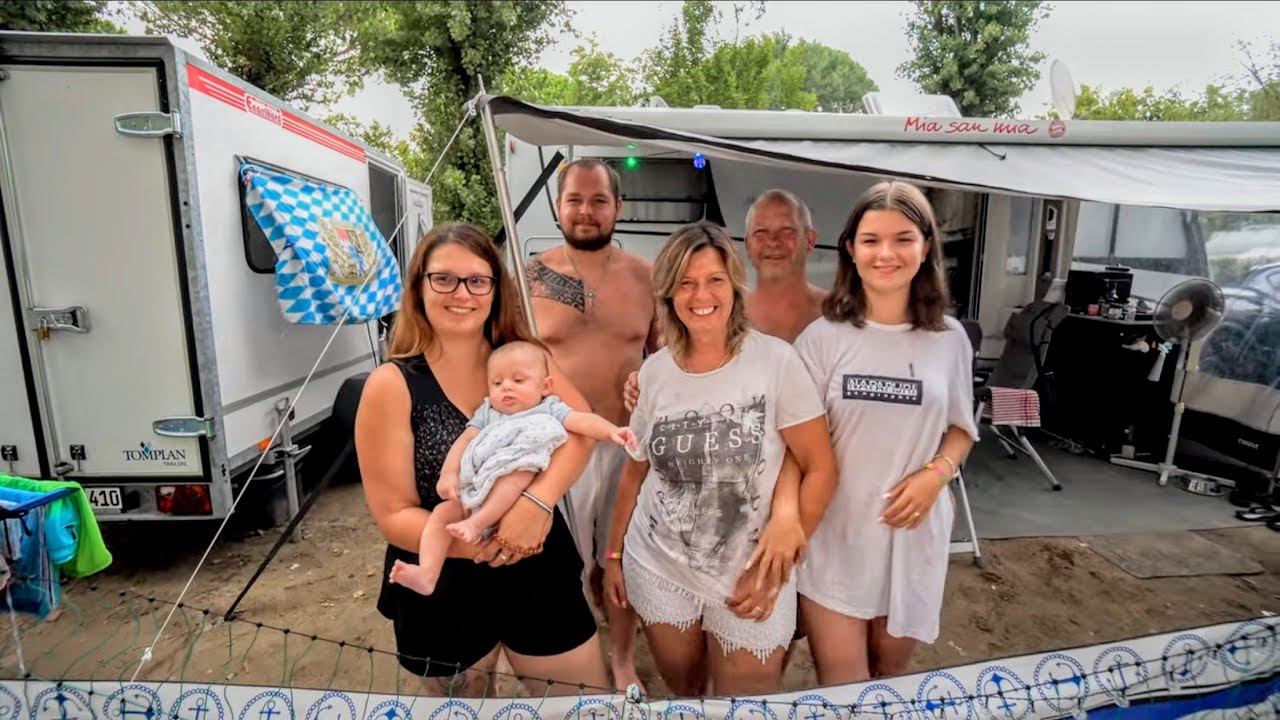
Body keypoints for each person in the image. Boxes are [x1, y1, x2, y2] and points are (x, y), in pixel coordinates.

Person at [357, 222, 608, 696]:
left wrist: (537, 504)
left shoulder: (527, 360)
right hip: (444, 588)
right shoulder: (390, 385)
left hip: (538, 567)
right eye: (444, 279)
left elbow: (581, 431)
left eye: (477, 280)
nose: (462, 293)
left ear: (496, 289)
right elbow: (393, 515)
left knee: (584, 707)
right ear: (419, 287)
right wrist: (483, 545)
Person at [602, 221, 838, 695]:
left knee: (746, 702)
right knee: (685, 693)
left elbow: (820, 466)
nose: (700, 295)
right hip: (658, 566)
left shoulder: (775, 362)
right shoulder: (654, 372)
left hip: (749, 572)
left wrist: (789, 539)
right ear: (668, 293)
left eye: (713, 280)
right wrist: (612, 556)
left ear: (734, 285)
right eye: (685, 282)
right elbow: (635, 471)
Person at [791, 180, 979, 682]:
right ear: (850, 249)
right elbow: (795, 448)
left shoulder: (950, 339)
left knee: (889, 680)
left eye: (903, 238)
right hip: (836, 539)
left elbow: (961, 429)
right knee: (845, 687)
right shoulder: (822, 339)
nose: (886, 253)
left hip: (912, 539)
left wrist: (936, 475)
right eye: (871, 240)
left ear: (925, 248)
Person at [524, 158, 658, 691]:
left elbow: (664, 353)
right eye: (575, 200)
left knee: (624, 559)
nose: (586, 211)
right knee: (568, 567)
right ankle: (581, 656)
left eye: (598, 200)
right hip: (560, 447)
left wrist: (648, 377)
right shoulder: (530, 276)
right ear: (558, 207)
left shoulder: (645, 276)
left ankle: (623, 657)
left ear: (617, 208)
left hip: (629, 446)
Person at [387, 340, 639, 596]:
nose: (506, 386)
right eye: (497, 383)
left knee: (518, 474)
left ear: (545, 387)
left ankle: (476, 525)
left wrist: (612, 432)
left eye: (518, 381)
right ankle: (428, 573)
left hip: (514, 498)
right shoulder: (487, 412)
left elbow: (582, 420)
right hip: (475, 492)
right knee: (441, 515)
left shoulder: (549, 407)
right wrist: (449, 474)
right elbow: (464, 441)